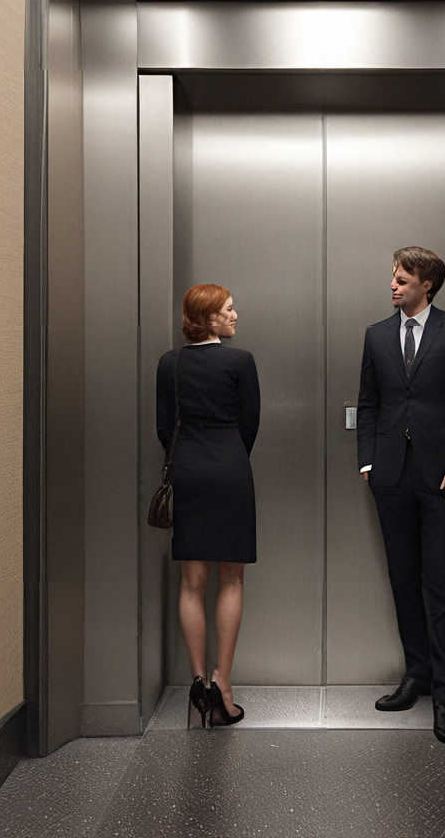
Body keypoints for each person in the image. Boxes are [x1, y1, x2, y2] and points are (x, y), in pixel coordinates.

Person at [357, 247, 445, 744]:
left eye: (403, 279)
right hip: (390, 476)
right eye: (393, 277)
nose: (394, 285)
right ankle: (418, 675)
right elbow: (369, 403)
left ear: (427, 284)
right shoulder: (376, 335)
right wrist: (368, 461)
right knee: (404, 579)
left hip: (443, 477)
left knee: (444, 585)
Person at [157, 284, 260, 728]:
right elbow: (250, 423)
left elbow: (165, 427)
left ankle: (197, 681)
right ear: (210, 319)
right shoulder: (240, 362)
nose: (236, 315)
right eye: (229, 310)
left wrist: (190, 460)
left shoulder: (170, 363)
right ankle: (224, 685)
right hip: (231, 470)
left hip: (188, 471)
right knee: (232, 579)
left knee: (191, 582)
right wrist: (229, 456)